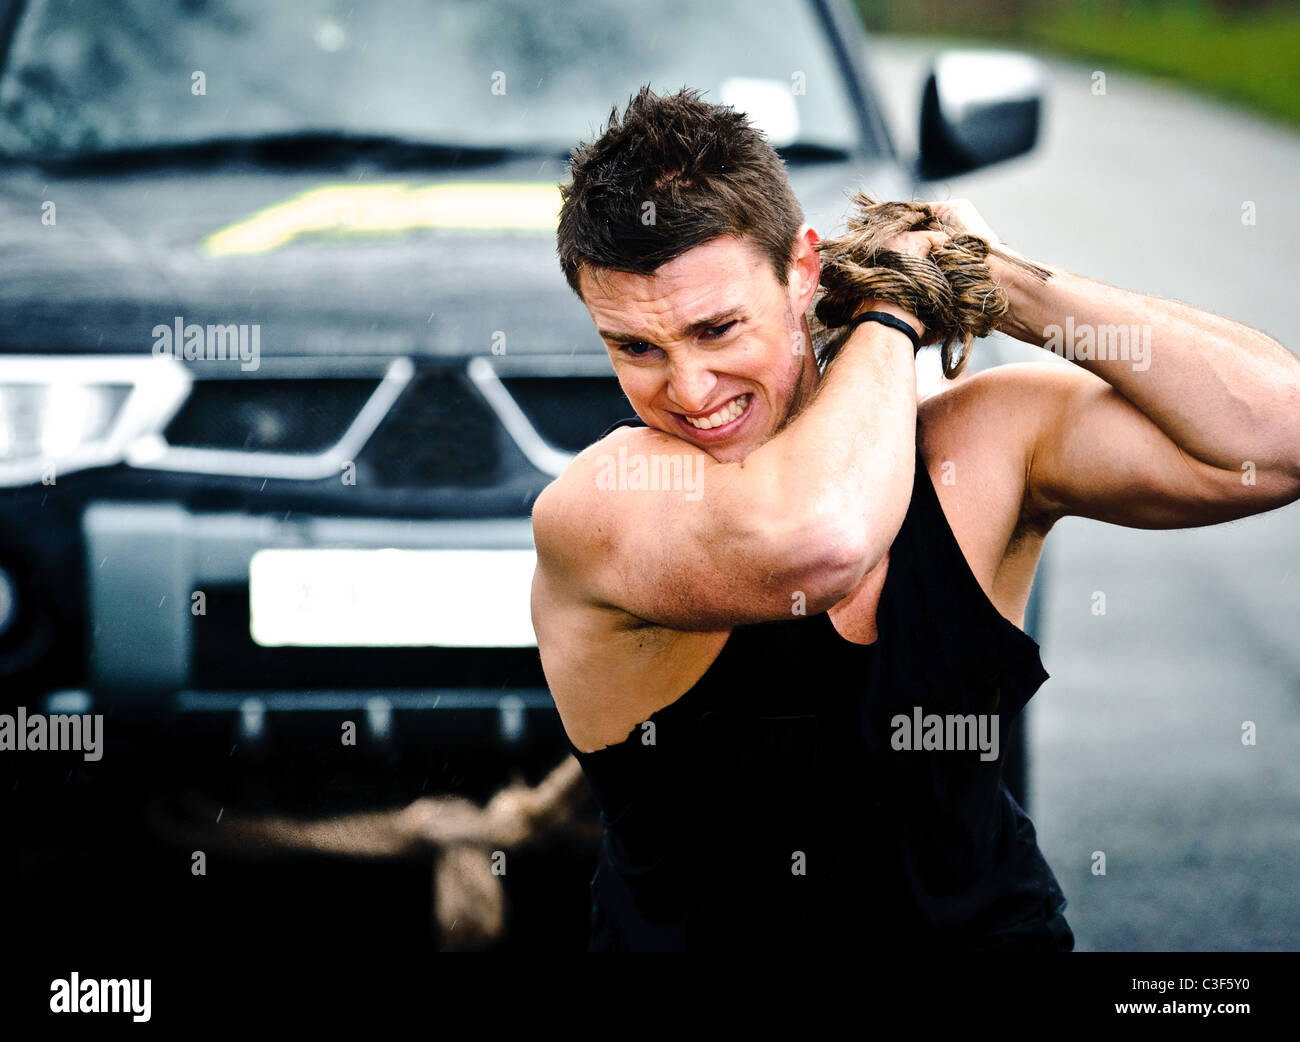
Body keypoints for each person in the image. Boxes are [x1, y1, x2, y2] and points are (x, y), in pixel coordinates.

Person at [528, 85, 1300, 951]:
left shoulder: (983, 444)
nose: (688, 390)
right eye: (634, 346)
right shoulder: (599, 504)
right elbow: (825, 541)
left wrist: (993, 277)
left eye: (717, 330)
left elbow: (1279, 440)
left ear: (801, 273)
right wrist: (892, 311)